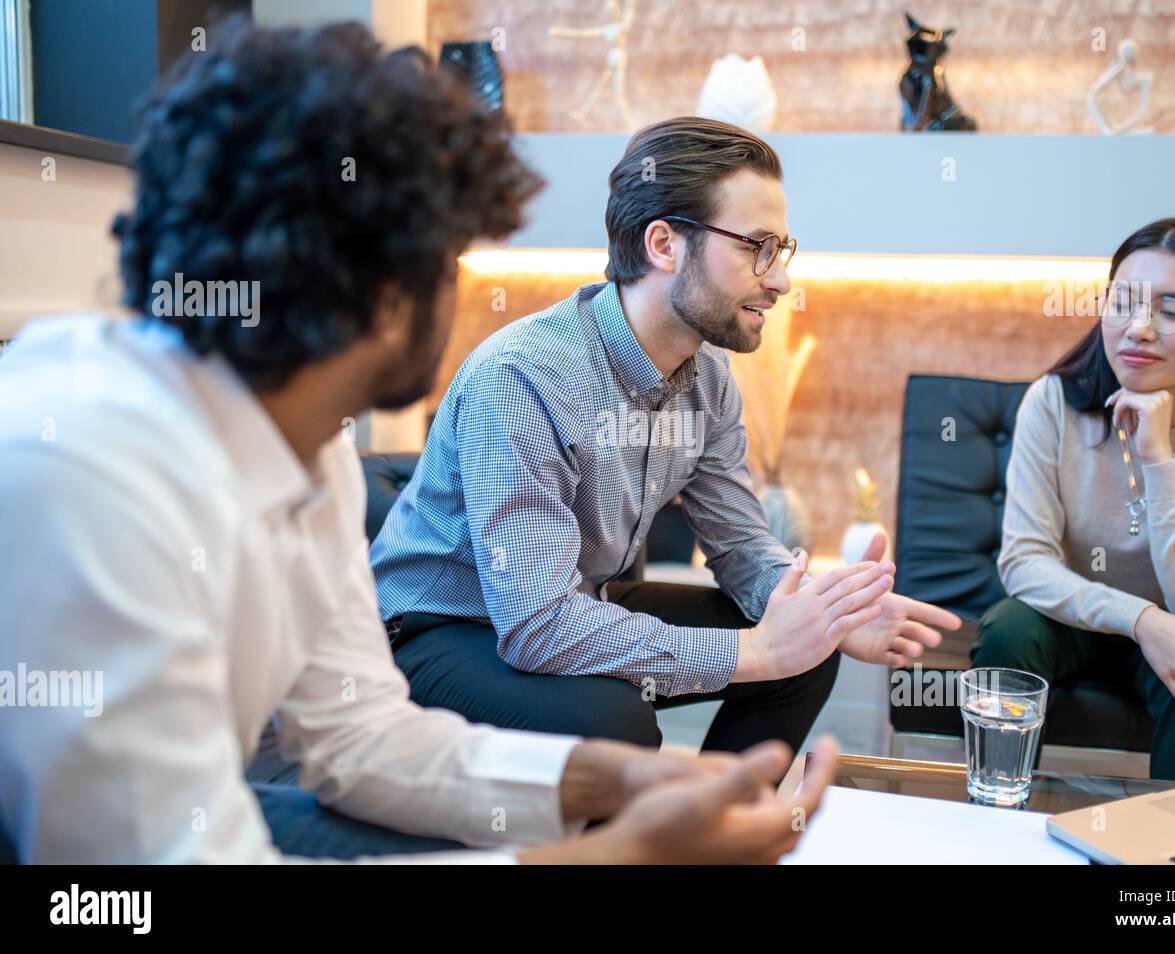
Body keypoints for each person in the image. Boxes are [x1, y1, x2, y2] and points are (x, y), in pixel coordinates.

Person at [0, 19, 840, 864]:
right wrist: (625, 854)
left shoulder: (305, 449)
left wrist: (618, 787)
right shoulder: (83, 475)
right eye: (447, 259)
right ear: (380, 282)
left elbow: (362, 737)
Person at [370, 116, 960, 758]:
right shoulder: (521, 377)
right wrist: (753, 651)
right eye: (755, 247)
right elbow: (534, 626)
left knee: (806, 653)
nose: (781, 281)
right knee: (614, 718)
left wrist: (819, 608)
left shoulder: (709, 377)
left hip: (570, 599)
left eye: (781, 251)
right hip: (438, 631)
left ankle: (723, 826)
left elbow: (739, 546)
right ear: (663, 244)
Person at [973, 218, 1175, 781]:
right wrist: (1143, 621)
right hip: (1080, 617)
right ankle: (997, 816)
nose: (1138, 328)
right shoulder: (1054, 403)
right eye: (1122, 302)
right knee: (1010, 626)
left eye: (1173, 310)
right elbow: (1024, 564)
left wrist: (1158, 458)